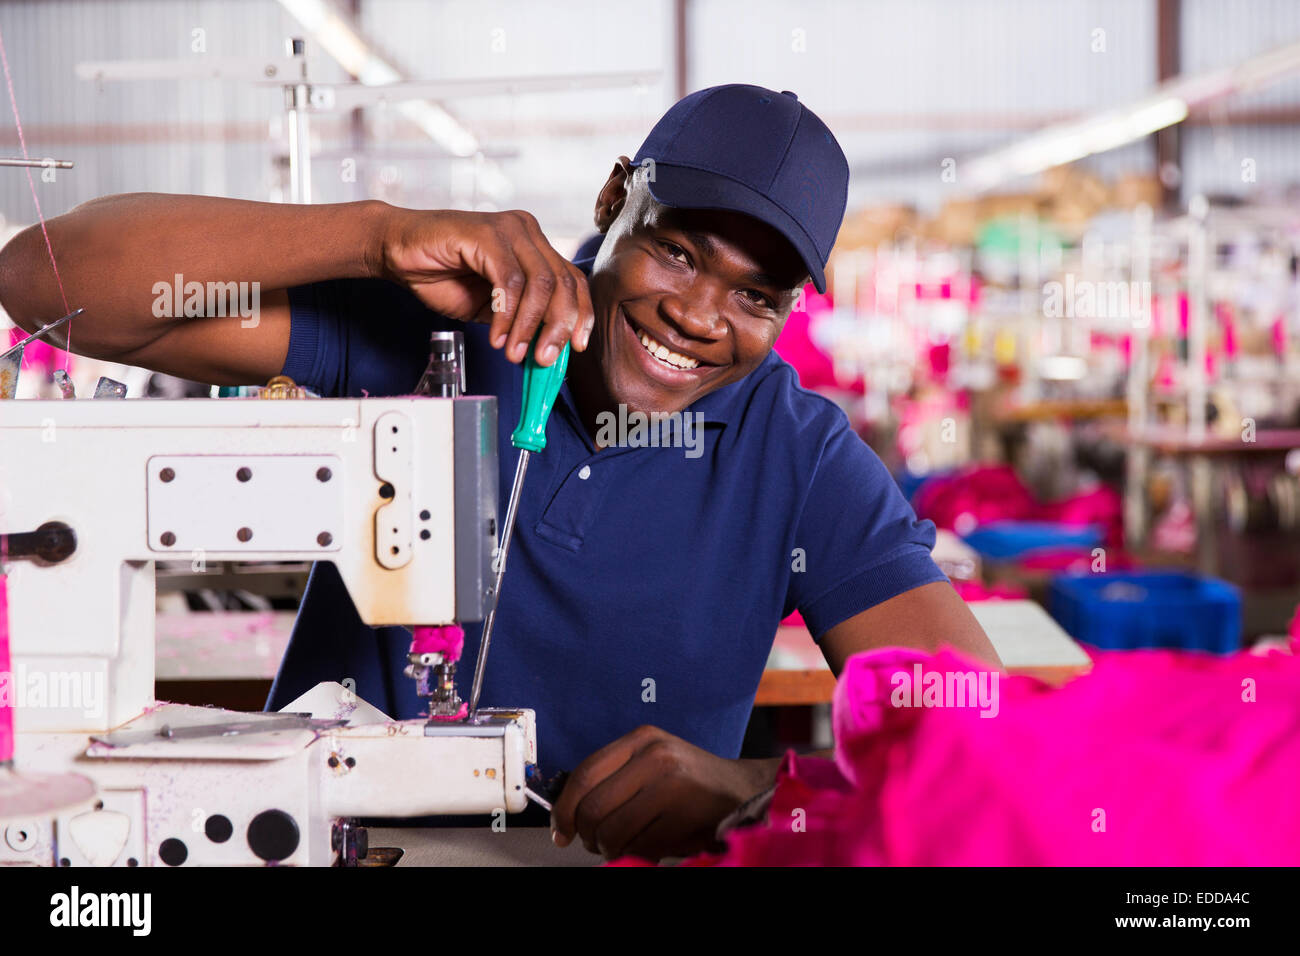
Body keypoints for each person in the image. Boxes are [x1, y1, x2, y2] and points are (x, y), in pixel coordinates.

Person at [0, 83, 999, 861]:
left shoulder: (801, 458)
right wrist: (376, 237)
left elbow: (978, 739)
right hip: (321, 838)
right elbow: (43, 280)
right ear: (615, 199)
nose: (700, 314)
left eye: (756, 296)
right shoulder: (443, 323)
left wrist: (751, 789)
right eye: (678, 251)